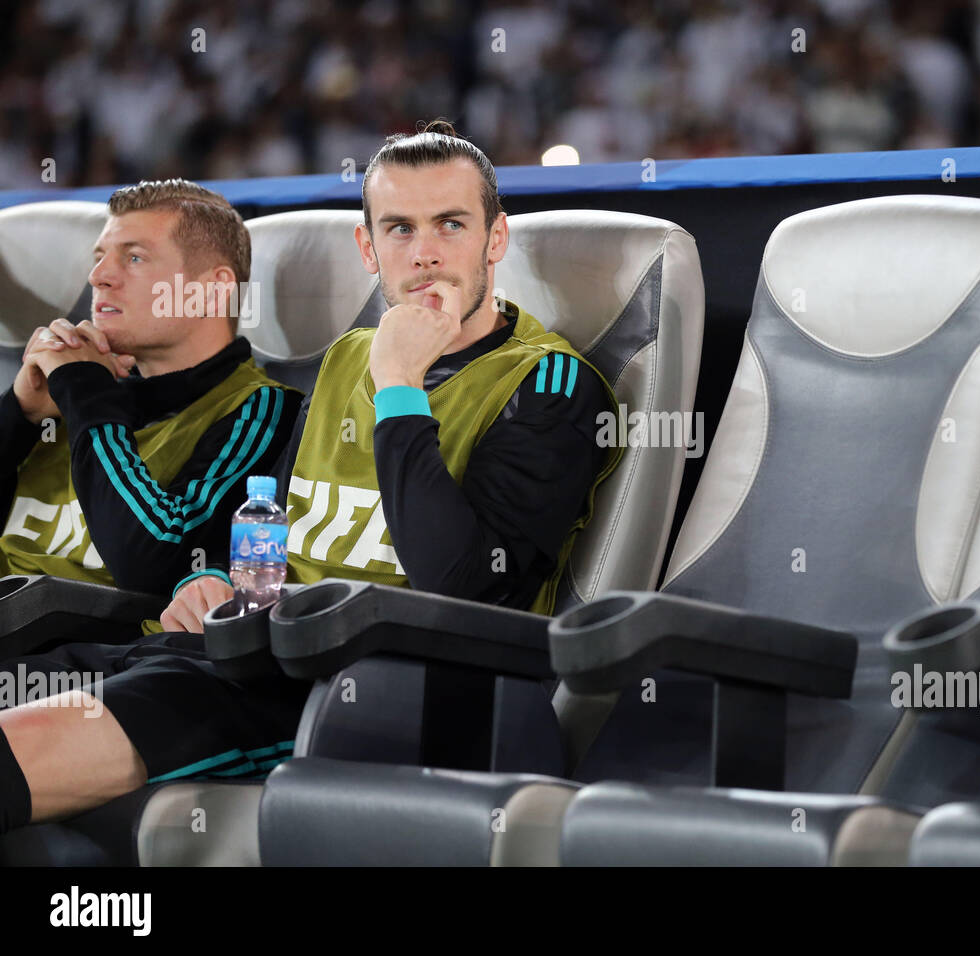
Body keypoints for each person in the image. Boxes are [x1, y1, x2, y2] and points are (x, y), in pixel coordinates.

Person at [0, 123, 622, 835]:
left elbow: (463, 583)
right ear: (368, 248)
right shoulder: (344, 359)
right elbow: (271, 520)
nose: (424, 254)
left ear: (495, 239)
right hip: (243, 648)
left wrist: (399, 386)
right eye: (398, 229)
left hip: (370, 682)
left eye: (451, 225)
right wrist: (205, 583)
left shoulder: (549, 382)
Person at [0, 179, 301, 600]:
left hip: (80, 651)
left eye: (135, 258)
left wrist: (87, 393)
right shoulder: (59, 395)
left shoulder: (261, 412)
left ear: (211, 289)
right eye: (100, 257)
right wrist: (18, 413)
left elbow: (154, 563)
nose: (98, 276)